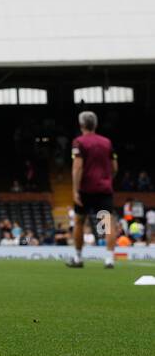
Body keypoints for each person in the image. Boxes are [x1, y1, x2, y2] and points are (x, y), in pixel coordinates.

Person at [66, 111, 119, 269]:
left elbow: (77, 167)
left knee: (79, 222)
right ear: (95, 125)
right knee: (107, 224)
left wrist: (75, 190)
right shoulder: (107, 142)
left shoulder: (78, 142)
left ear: (81, 125)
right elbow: (115, 167)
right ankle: (109, 259)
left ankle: (78, 258)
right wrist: (107, 180)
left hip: (85, 190)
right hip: (104, 189)